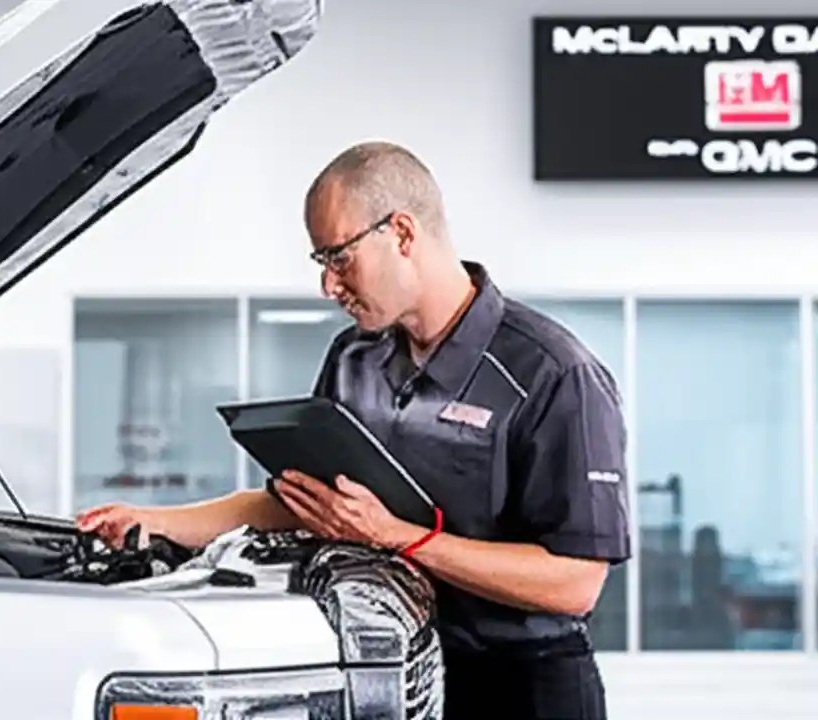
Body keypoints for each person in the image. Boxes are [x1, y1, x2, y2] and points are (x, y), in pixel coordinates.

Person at [76, 140, 631, 719]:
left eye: (338, 257)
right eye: (321, 263)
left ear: (403, 234)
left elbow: (574, 584)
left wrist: (396, 537)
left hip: (525, 686)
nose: (328, 286)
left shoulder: (553, 373)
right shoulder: (354, 359)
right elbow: (302, 506)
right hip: (393, 673)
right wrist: (151, 521)